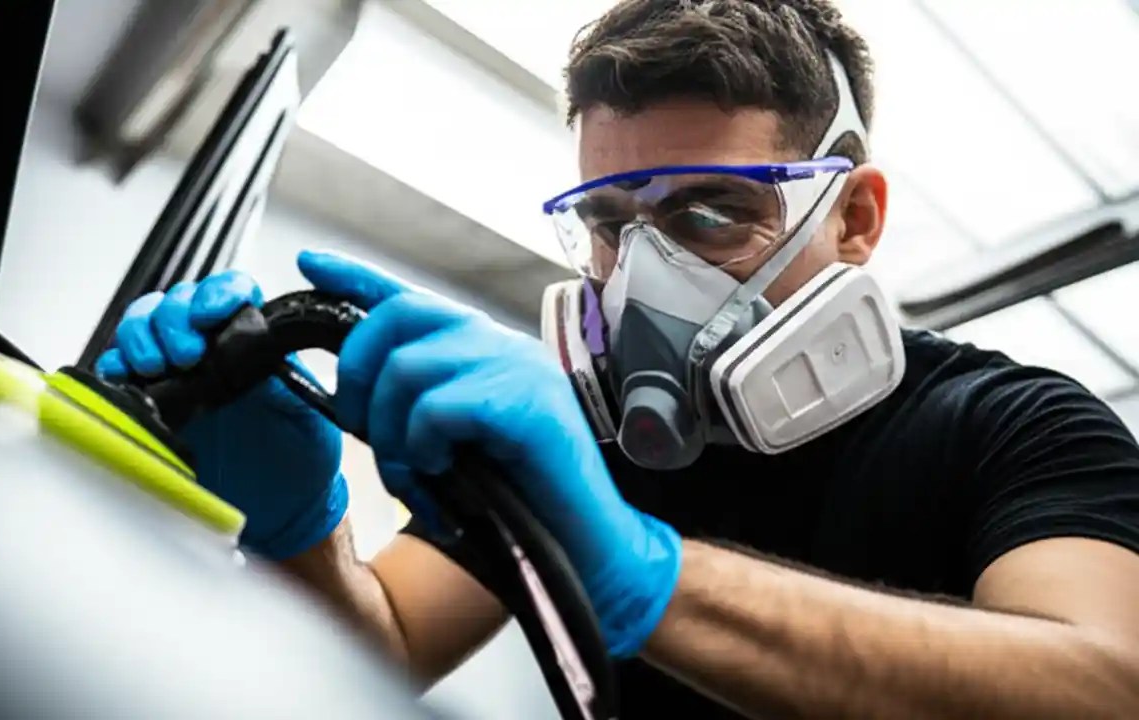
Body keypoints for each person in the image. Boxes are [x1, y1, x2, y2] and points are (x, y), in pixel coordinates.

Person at [96, 1, 1139, 717]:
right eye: (608, 222)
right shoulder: (583, 443)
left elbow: (1103, 691)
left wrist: (642, 571)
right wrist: (301, 531)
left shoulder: (1017, 426)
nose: (641, 275)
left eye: (710, 211)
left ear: (854, 217)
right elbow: (385, 640)